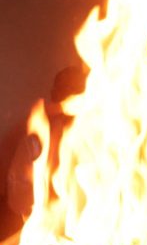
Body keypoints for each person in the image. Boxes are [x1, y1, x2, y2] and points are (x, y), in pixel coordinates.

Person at [5, 64, 87, 220]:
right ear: (55, 95)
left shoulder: (104, 139)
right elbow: (17, 195)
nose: (71, 96)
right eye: (65, 89)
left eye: (77, 90)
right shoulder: (37, 138)